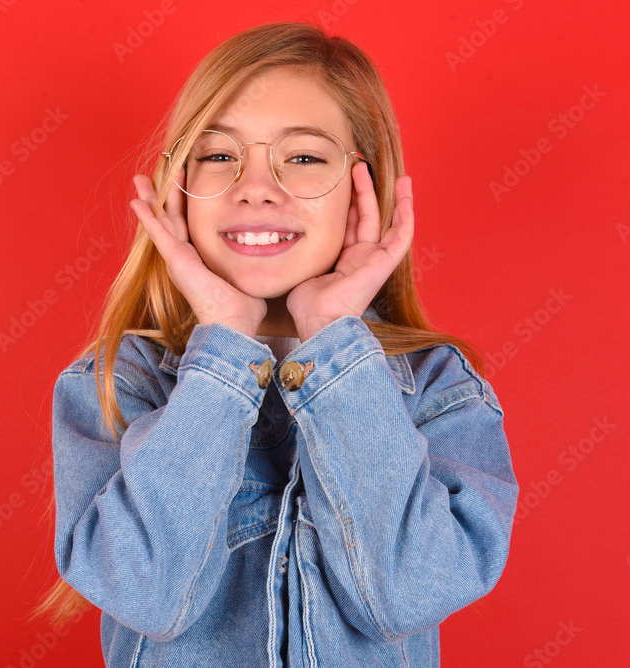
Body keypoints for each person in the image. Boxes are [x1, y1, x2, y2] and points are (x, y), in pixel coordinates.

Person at [34, 21, 519, 667]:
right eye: (218, 155)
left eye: (303, 157)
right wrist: (224, 351)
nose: (256, 185)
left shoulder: (438, 387)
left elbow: (404, 595)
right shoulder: (120, 381)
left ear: (360, 188)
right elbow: (143, 592)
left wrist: (332, 344)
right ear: (178, 182)